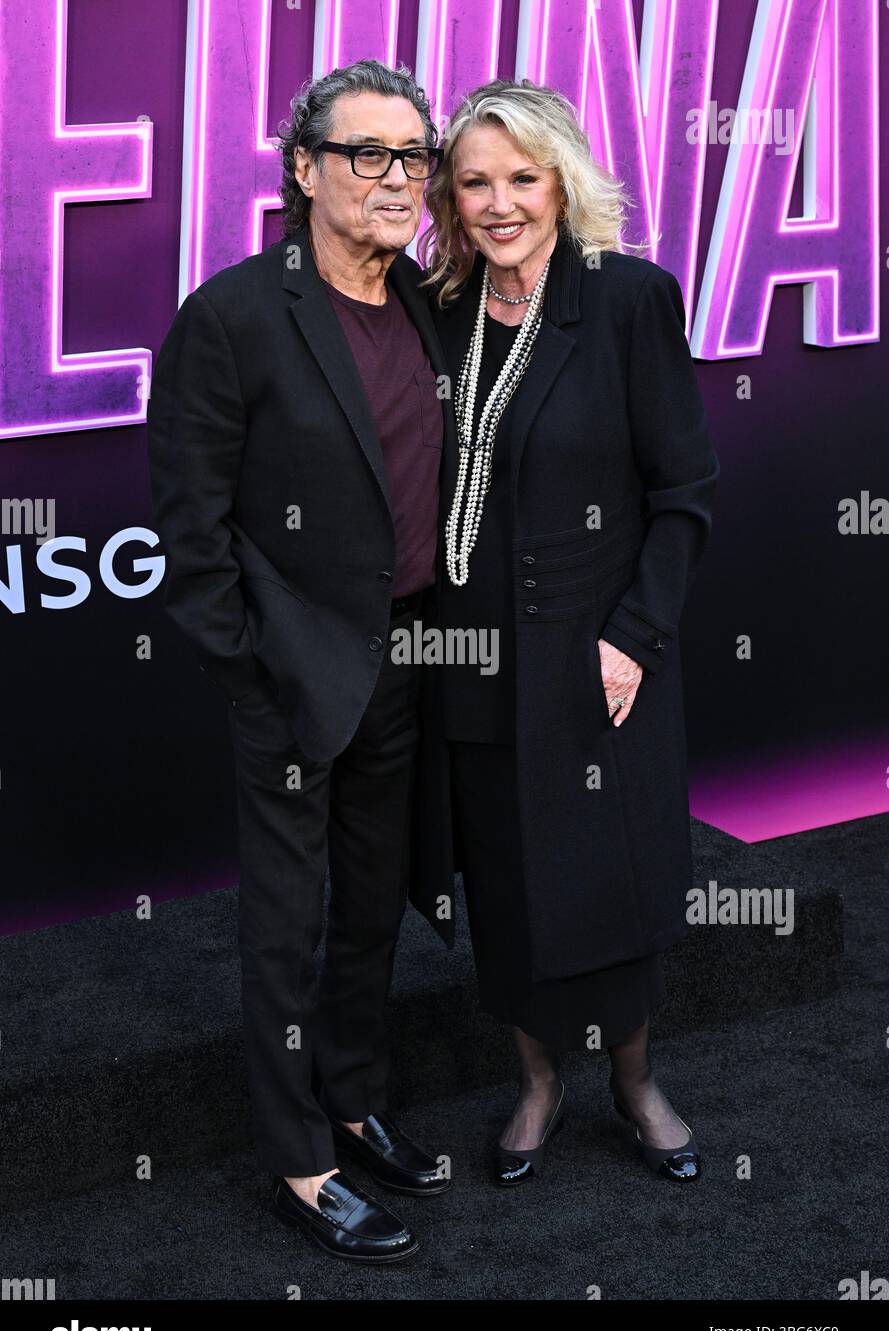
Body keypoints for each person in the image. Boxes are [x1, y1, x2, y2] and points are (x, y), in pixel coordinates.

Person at [147, 60, 458, 1262]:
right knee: (289, 922)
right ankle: (300, 1158)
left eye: (412, 156)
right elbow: (192, 526)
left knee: (372, 905)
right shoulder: (232, 315)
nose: (397, 179)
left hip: (412, 656)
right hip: (293, 676)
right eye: (367, 154)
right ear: (303, 167)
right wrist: (255, 669)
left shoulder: (427, 304)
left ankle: (355, 1094)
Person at [411, 78, 719, 1184]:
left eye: (521, 178)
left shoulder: (627, 299)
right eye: (475, 181)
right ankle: (536, 1083)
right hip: (474, 662)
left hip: (600, 659)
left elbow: (683, 491)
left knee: (609, 880)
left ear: (561, 181)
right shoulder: (435, 309)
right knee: (507, 883)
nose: (499, 202)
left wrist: (633, 635)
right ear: (449, 195)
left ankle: (636, 1086)